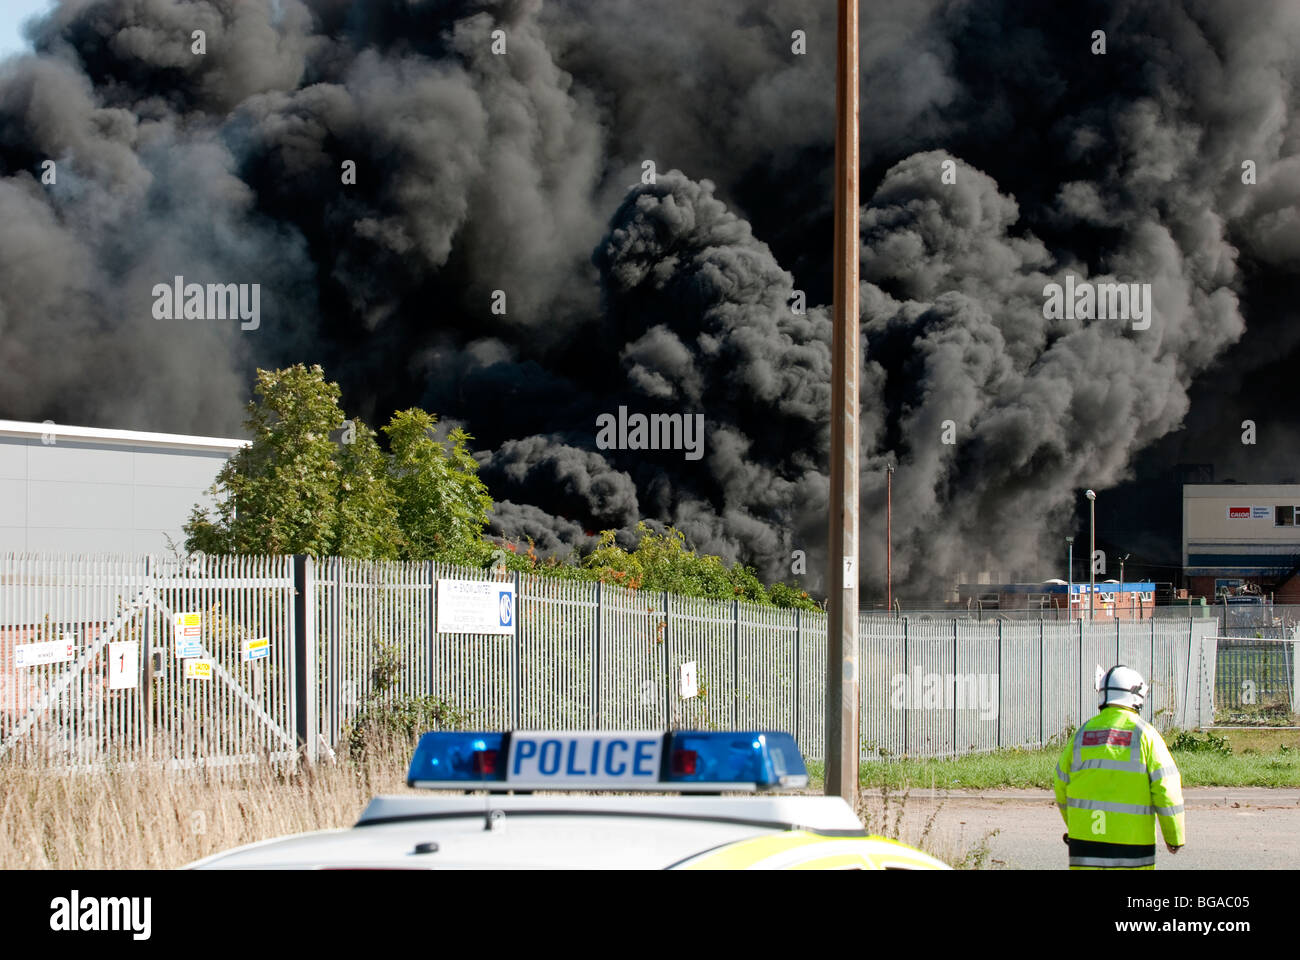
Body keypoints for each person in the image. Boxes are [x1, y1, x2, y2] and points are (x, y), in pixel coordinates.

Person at [1053, 665, 1185, 869]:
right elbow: (1166, 790)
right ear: (1136, 696)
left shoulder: (1081, 735)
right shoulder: (1145, 735)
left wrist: (1078, 824)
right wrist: (1174, 837)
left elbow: (1061, 785)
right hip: (1131, 850)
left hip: (1085, 849)